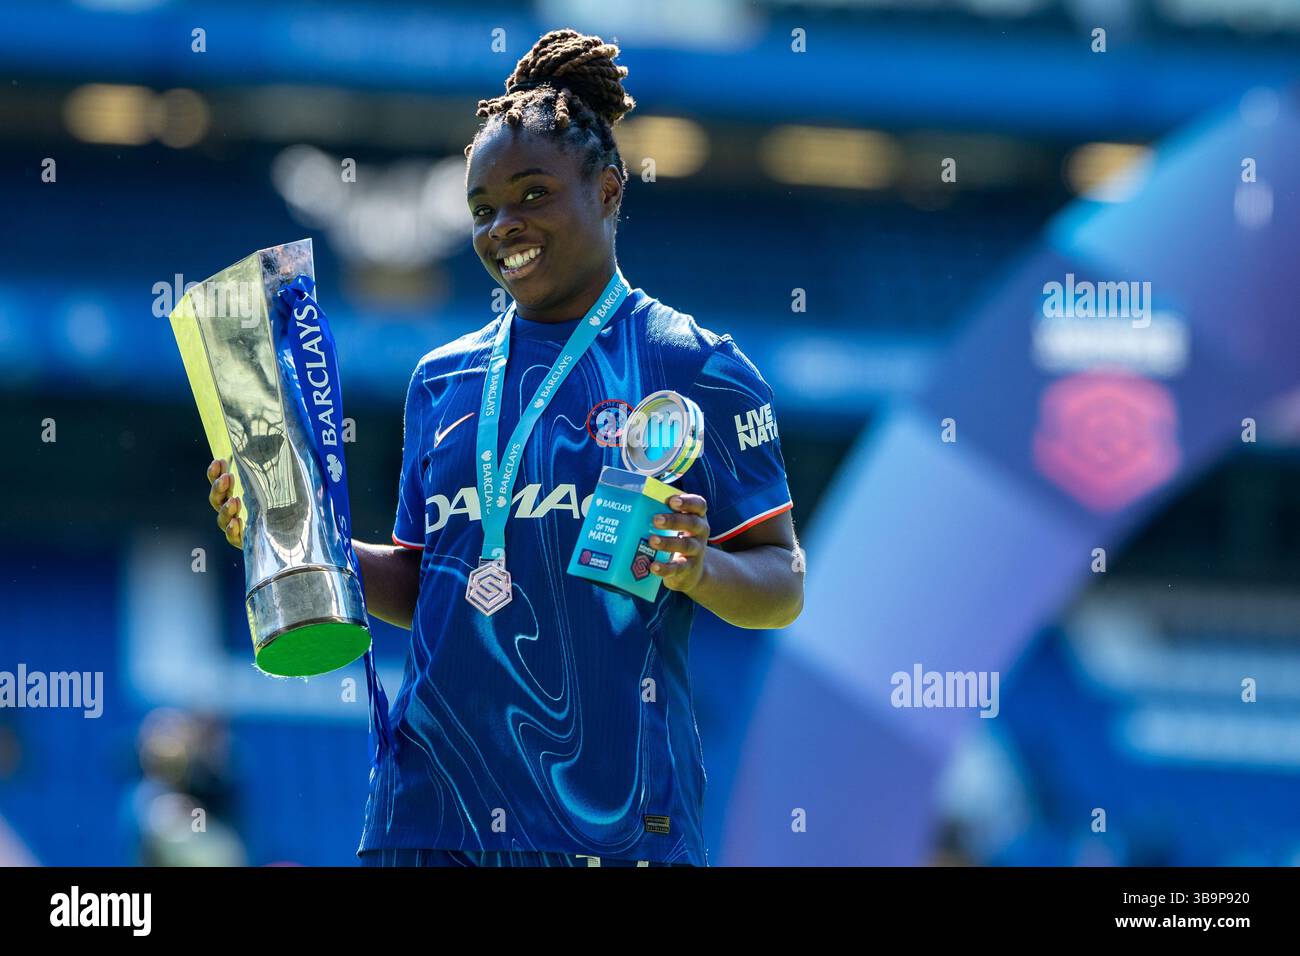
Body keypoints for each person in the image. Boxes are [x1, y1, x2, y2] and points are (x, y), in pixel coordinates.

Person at [206, 28, 803, 867]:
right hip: (429, 818)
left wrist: (697, 566)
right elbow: (426, 584)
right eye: (483, 210)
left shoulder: (692, 364)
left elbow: (781, 584)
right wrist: (290, 526)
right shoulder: (442, 381)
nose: (503, 228)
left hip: (616, 821)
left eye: (531, 195)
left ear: (607, 189)